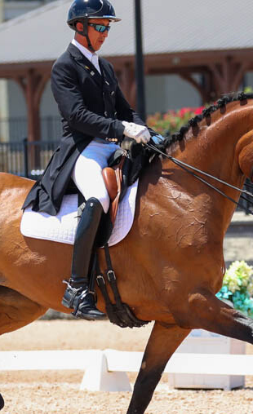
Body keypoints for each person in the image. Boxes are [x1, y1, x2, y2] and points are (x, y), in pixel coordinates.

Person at [22, 0, 155, 320]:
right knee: (97, 198)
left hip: (111, 147)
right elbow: (77, 116)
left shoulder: (104, 67)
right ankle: (78, 287)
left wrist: (146, 130)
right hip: (83, 149)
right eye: (100, 26)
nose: (105, 33)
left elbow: (125, 109)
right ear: (80, 27)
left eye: (108, 27)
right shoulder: (64, 67)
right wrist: (122, 128)